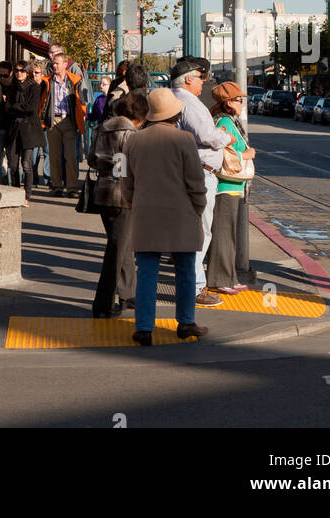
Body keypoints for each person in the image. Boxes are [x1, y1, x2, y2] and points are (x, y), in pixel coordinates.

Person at [123, 87, 209, 345]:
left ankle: (144, 327)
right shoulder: (184, 140)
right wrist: (199, 208)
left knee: (147, 271)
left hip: (145, 214)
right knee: (185, 270)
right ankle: (185, 322)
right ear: (174, 113)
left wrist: (132, 205)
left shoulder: (133, 140)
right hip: (181, 213)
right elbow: (196, 182)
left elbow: (126, 182)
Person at [171, 57, 232, 306]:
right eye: (200, 78)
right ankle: (195, 288)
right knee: (200, 232)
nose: (203, 84)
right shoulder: (189, 103)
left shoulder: (174, 99)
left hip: (187, 170)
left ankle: (190, 284)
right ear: (188, 79)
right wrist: (225, 137)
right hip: (200, 172)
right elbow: (207, 136)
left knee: (191, 232)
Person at [89, 90, 148, 318]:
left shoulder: (102, 128)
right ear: (140, 117)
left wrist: (109, 165)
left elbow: (92, 159)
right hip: (124, 196)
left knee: (122, 245)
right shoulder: (132, 135)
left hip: (103, 192)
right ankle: (102, 304)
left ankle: (128, 294)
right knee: (116, 250)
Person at [206, 81, 256, 295]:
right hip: (226, 186)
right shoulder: (224, 122)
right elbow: (222, 152)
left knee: (230, 235)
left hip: (234, 185)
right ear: (229, 102)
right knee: (224, 235)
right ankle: (219, 278)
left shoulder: (230, 120)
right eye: (239, 99)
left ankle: (229, 277)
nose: (242, 103)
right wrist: (247, 154)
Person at [38, 46, 87, 197]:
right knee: (54, 156)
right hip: (53, 121)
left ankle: (72, 188)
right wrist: (43, 121)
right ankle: (57, 186)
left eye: (57, 63)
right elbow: (41, 102)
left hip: (69, 121)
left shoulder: (75, 81)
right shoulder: (47, 81)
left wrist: (81, 118)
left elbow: (83, 100)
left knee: (71, 156)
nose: (54, 66)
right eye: (53, 63)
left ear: (65, 64)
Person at [5, 63, 42, 204]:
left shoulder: (34, 87)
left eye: (22, 71)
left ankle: (27, 196)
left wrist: (15, 107)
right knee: (13, 165)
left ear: (28, 72)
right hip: (14, 129)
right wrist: (18, 108)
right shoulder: (11, 88)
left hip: (29, 130)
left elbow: (32, 108)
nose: (19, 73)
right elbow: (7, 108)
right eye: (16, 71)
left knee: (26, 164)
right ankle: (15, 192)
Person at [27, 61, 49, 186]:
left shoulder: (46, 86)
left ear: (42, 74)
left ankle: (47, 179)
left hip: (45, 123)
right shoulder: (29, 86)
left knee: (48, 153)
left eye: (37, 73)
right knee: (33, 154)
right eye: (32, 73)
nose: (34, 75)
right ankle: (33, 179)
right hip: (33, 124)